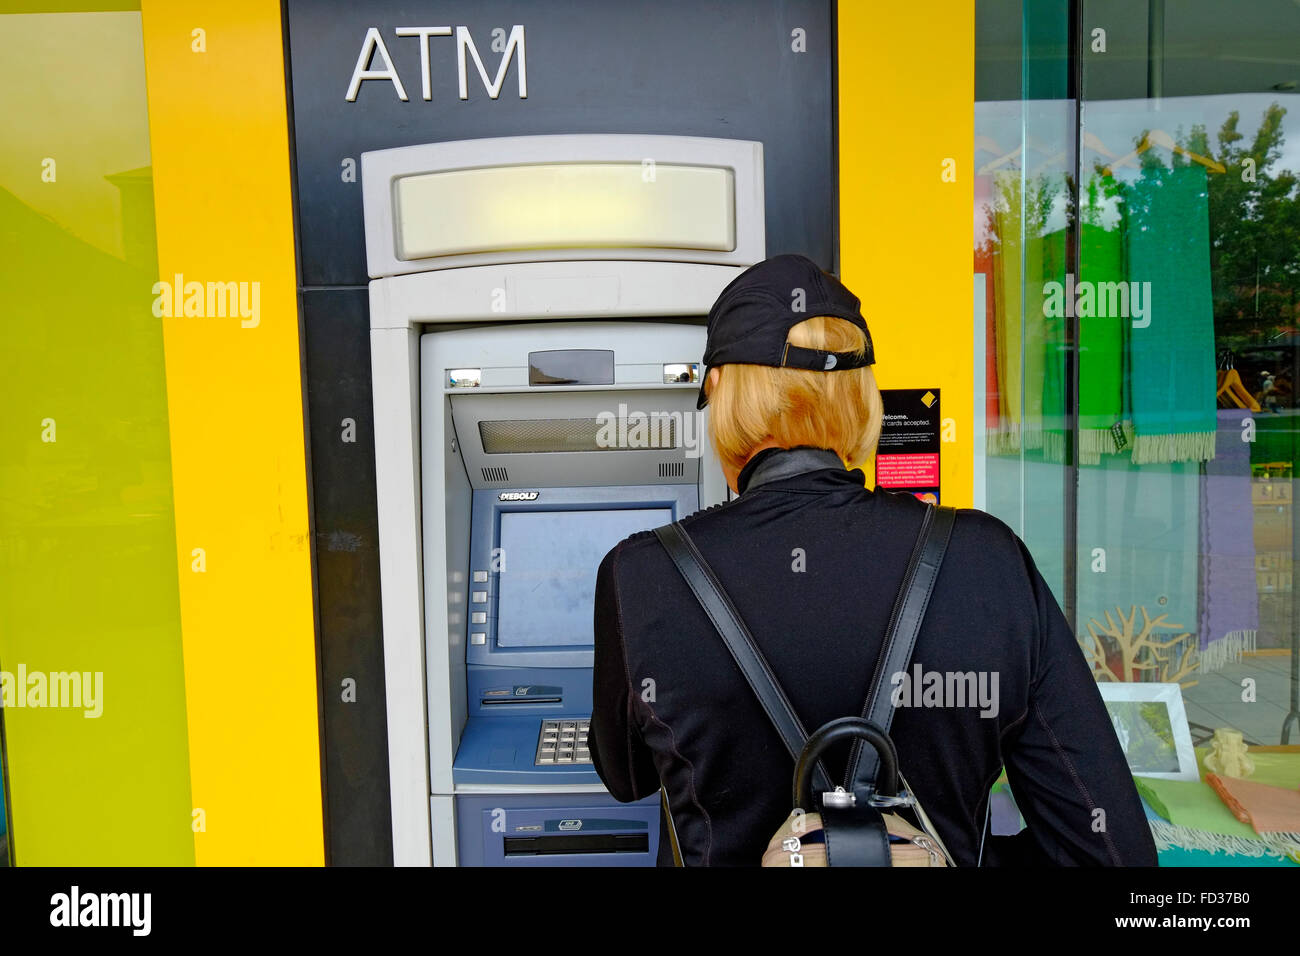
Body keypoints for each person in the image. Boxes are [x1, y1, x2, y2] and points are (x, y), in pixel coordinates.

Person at [589, 254, 1158, 867]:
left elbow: (626, 777)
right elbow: (1112, 853)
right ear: (864, 399)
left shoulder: (640, 573)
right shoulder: (986, 560)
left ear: (723, 397)